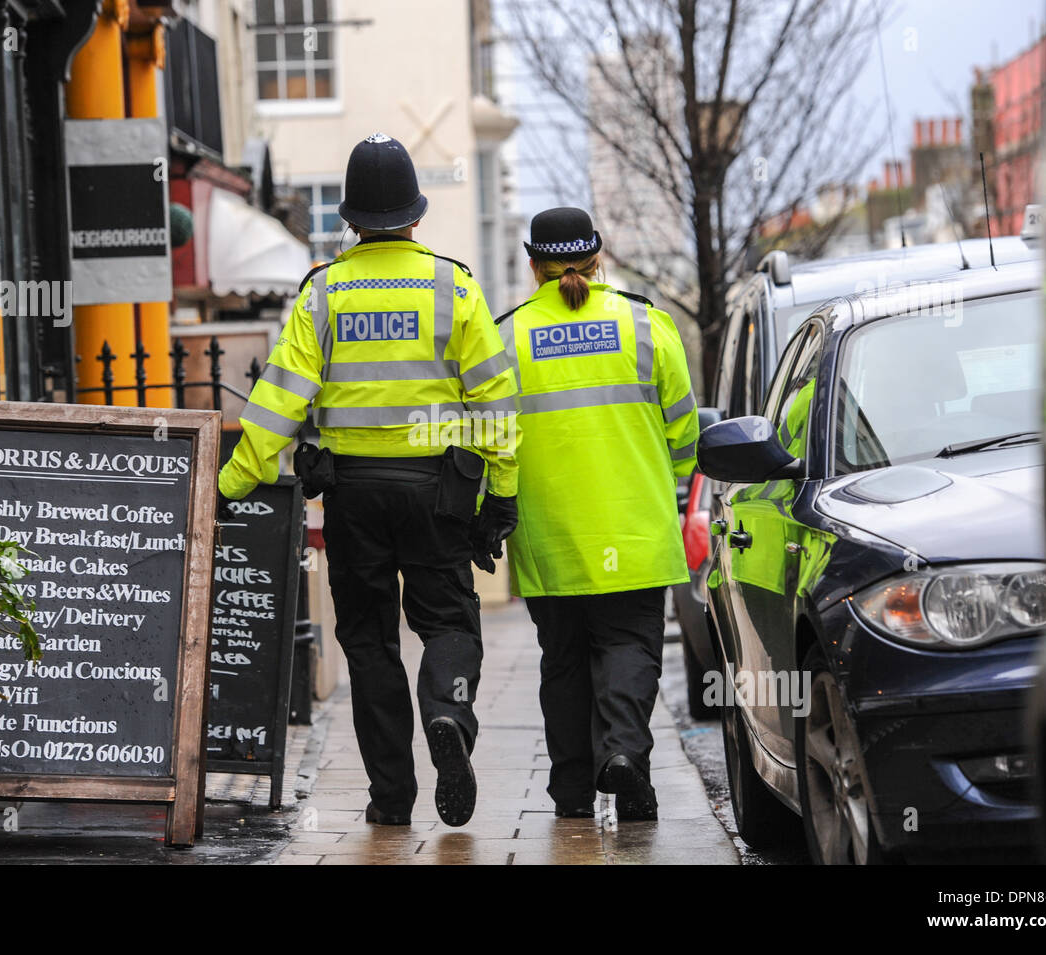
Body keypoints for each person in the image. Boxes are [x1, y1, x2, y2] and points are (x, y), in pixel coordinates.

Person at [218, 134, 521, 828]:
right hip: (438, 490)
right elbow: (496, 402)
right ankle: (448, 706)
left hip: (353, 496)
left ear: (351, 219)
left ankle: (391, 799)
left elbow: (279, 401)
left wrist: (233, 483)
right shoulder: (455, 287)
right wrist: (500, 493)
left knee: (368, 642)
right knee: (448, 622)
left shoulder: (322, 292)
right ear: (416, 215)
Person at [497, 207, 699, 820]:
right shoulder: (648, 325)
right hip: (635, 531)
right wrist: (672, 484)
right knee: (630, 646)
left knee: (562, 663)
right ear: (599, 256)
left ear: (534, 265)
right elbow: (685, 431)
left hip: (550, 537)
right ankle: (625, 755)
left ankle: (572, 793)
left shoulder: (504, 337)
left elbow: (490, 440)